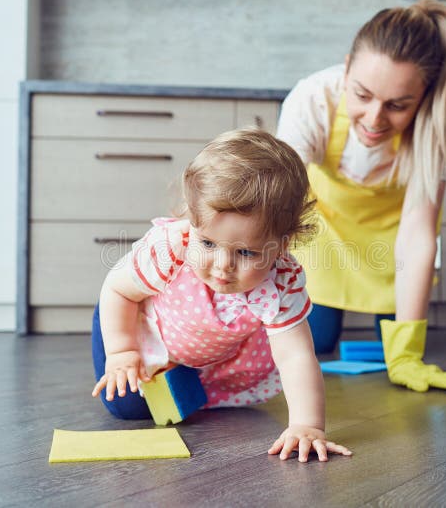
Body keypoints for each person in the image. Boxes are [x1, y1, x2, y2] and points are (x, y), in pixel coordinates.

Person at [90, 129, 352, 463]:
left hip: (208, 346)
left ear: (281, 245)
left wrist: (308, 425)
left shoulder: (280, 283)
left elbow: (296, 356)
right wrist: (122, 351)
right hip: (134, 320)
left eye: (245, 252)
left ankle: (187, 372)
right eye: (208, 244)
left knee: (194, 400)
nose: (222, 267)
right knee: (128, 407)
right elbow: (117, 290)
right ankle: (159, 365)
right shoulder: (170, 248)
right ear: (191, 219)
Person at [276, 0, 446, 395]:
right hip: (323, 228)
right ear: (348, 64)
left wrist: (408, 354)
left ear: (423, 95)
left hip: (392, 240)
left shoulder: (434, 124)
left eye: (397, 105)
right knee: (313, 340)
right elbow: (280, 204)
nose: (374, 119)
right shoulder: (312, 99)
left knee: (395, 350)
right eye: (363, 95)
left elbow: (418, 233)